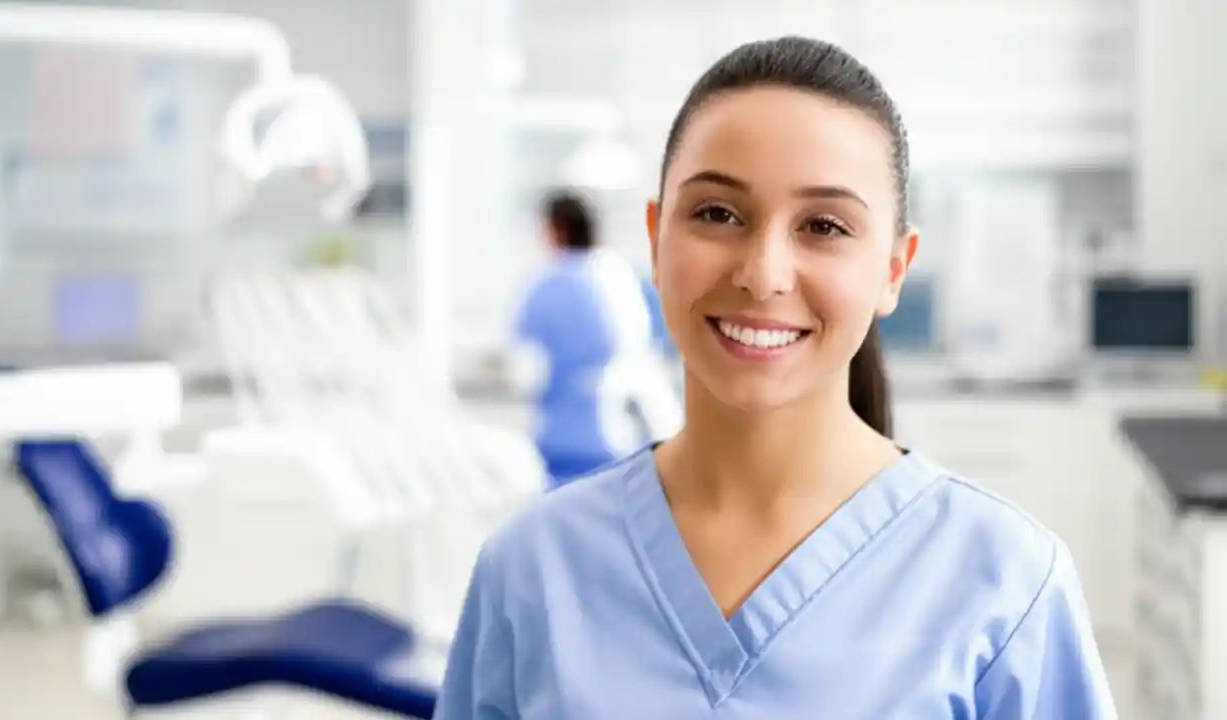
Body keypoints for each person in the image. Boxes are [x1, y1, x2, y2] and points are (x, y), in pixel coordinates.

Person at [436, 36, 1116, 718]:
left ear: (893, 270)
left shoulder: (1008, 585)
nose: (763, 274)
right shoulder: (530, 570)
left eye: (824, 226)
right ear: (656, 238)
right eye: (717, 214)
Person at [512, 191, 681, 488]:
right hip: (622, 434)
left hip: (567, 439)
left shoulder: (552, 282)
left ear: (557, 229)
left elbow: (518, 352)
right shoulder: (618, 274)